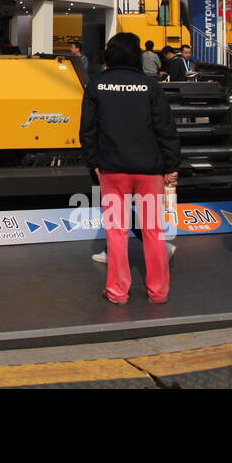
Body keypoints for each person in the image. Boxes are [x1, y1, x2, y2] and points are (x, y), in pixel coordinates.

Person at [81, 32, 180, 305]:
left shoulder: (96, 86)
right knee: (153, 231)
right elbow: (166, 129)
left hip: (113, 169)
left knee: (116, 232)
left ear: (108, 55)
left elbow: (87, 131)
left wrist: (94, 164)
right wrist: (171, 165)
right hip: (150, 169)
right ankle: (158, 291)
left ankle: (117, 291)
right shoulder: (150, 87)